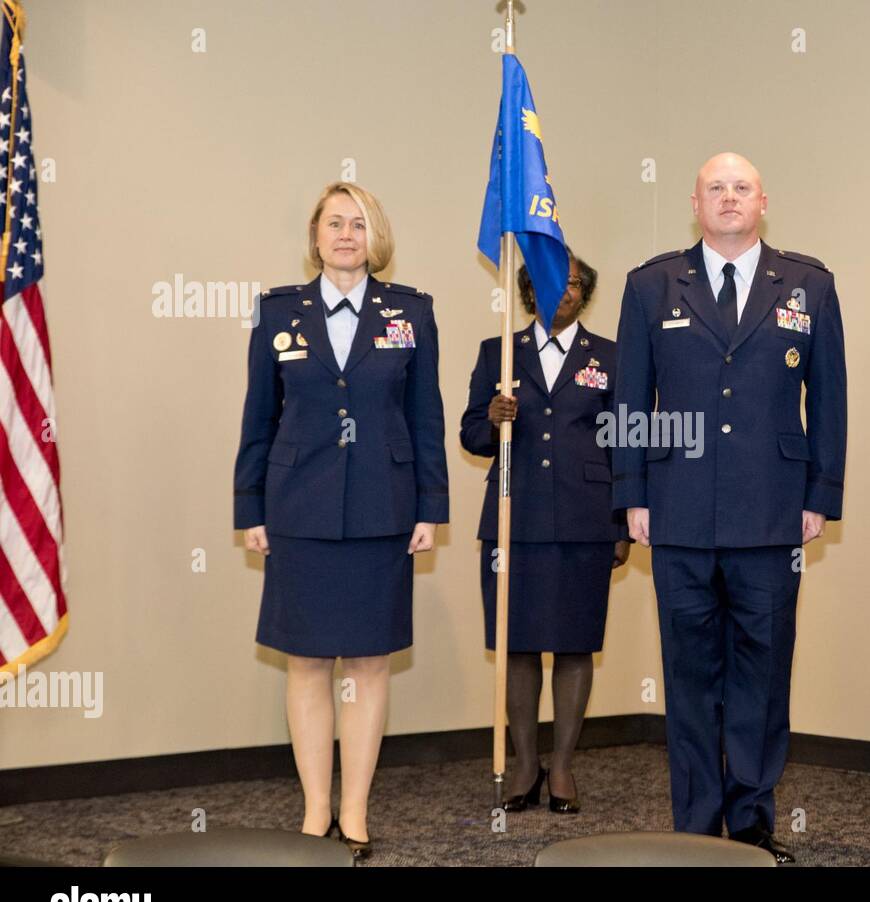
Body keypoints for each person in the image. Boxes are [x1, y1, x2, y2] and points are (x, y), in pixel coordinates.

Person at [612, 152, 847, 863]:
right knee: (688, 676)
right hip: (677, 511)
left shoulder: (808, 283)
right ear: (695, 202)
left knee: (763, 671)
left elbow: (829, 401)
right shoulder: (651, 284)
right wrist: (632, 494)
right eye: (716, 188)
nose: (729, 198)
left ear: (763, 200)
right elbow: (630, 399)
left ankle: (750, 823)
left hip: (774, 512)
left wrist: (821, 494)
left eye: (741, 187)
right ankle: (695, 826)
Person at [234, 181, 448, 859]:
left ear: (374, 236)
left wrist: (431, 507)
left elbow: (427, 420)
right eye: (334, 223)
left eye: (358, 223)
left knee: (368, 665)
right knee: (306, 664)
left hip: (384, 509)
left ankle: (354, 814)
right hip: (298, 508)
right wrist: (249, 507)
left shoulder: (411, 312)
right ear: (316, 235)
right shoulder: (277, 314)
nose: (346, 234)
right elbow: (258, 418)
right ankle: (314, 811)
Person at [461, 250, 629, 813]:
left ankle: (561, 767)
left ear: (585, 292)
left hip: (587, 517)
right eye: (553, 282)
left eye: (575, 283)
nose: (565, 291)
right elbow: (468, 435)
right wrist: (491, 419)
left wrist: (623, 519)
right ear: (531, 290)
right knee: (519, 644)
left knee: (577, 643)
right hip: (515, 517)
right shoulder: (498, 352)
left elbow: (626, 441)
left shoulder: (609, 356)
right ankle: (524, 765)